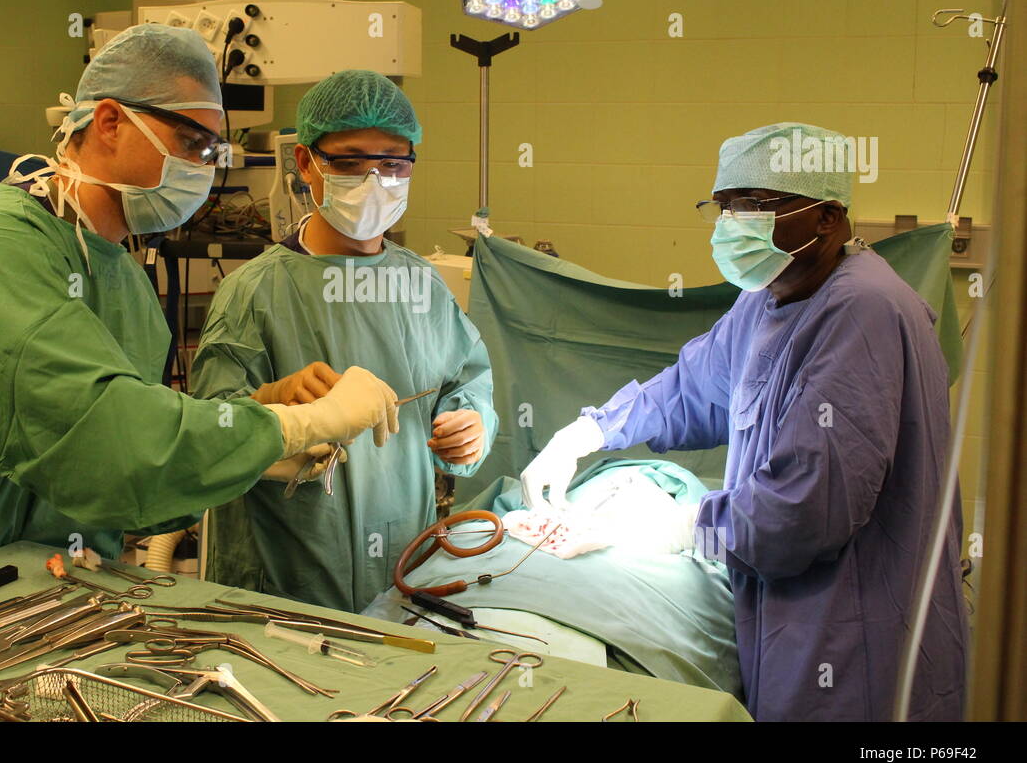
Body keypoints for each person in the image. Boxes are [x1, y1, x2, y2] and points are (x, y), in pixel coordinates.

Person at [0, 26, 400, 609]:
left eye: (213, 153)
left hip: (52, 590)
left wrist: (256, 428)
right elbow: (110, 434)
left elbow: (135, 460)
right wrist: (295, 427)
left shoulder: (120, 274)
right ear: (109, 122)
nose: (205, 169)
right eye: (193, 143)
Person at [520, 122, 968, 721]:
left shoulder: (864, 312)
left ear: (827, 219)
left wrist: (680, 529)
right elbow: (692, 388)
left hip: (858, 639)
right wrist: (589, 432)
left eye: (754, 207)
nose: (732, 225)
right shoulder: (768, 294)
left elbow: (806, 510)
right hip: (789, 625)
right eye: (724, 207)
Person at [190, 70, 498, 613]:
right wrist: (273, 400)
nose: (375, 179)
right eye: (351, 162)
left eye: (393, 163)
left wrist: (470, 423)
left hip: (406, 554)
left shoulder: (421, 284)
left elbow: (464, 380)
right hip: (290, 571)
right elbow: (205, 434)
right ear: (306, 163)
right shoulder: (256, 291)